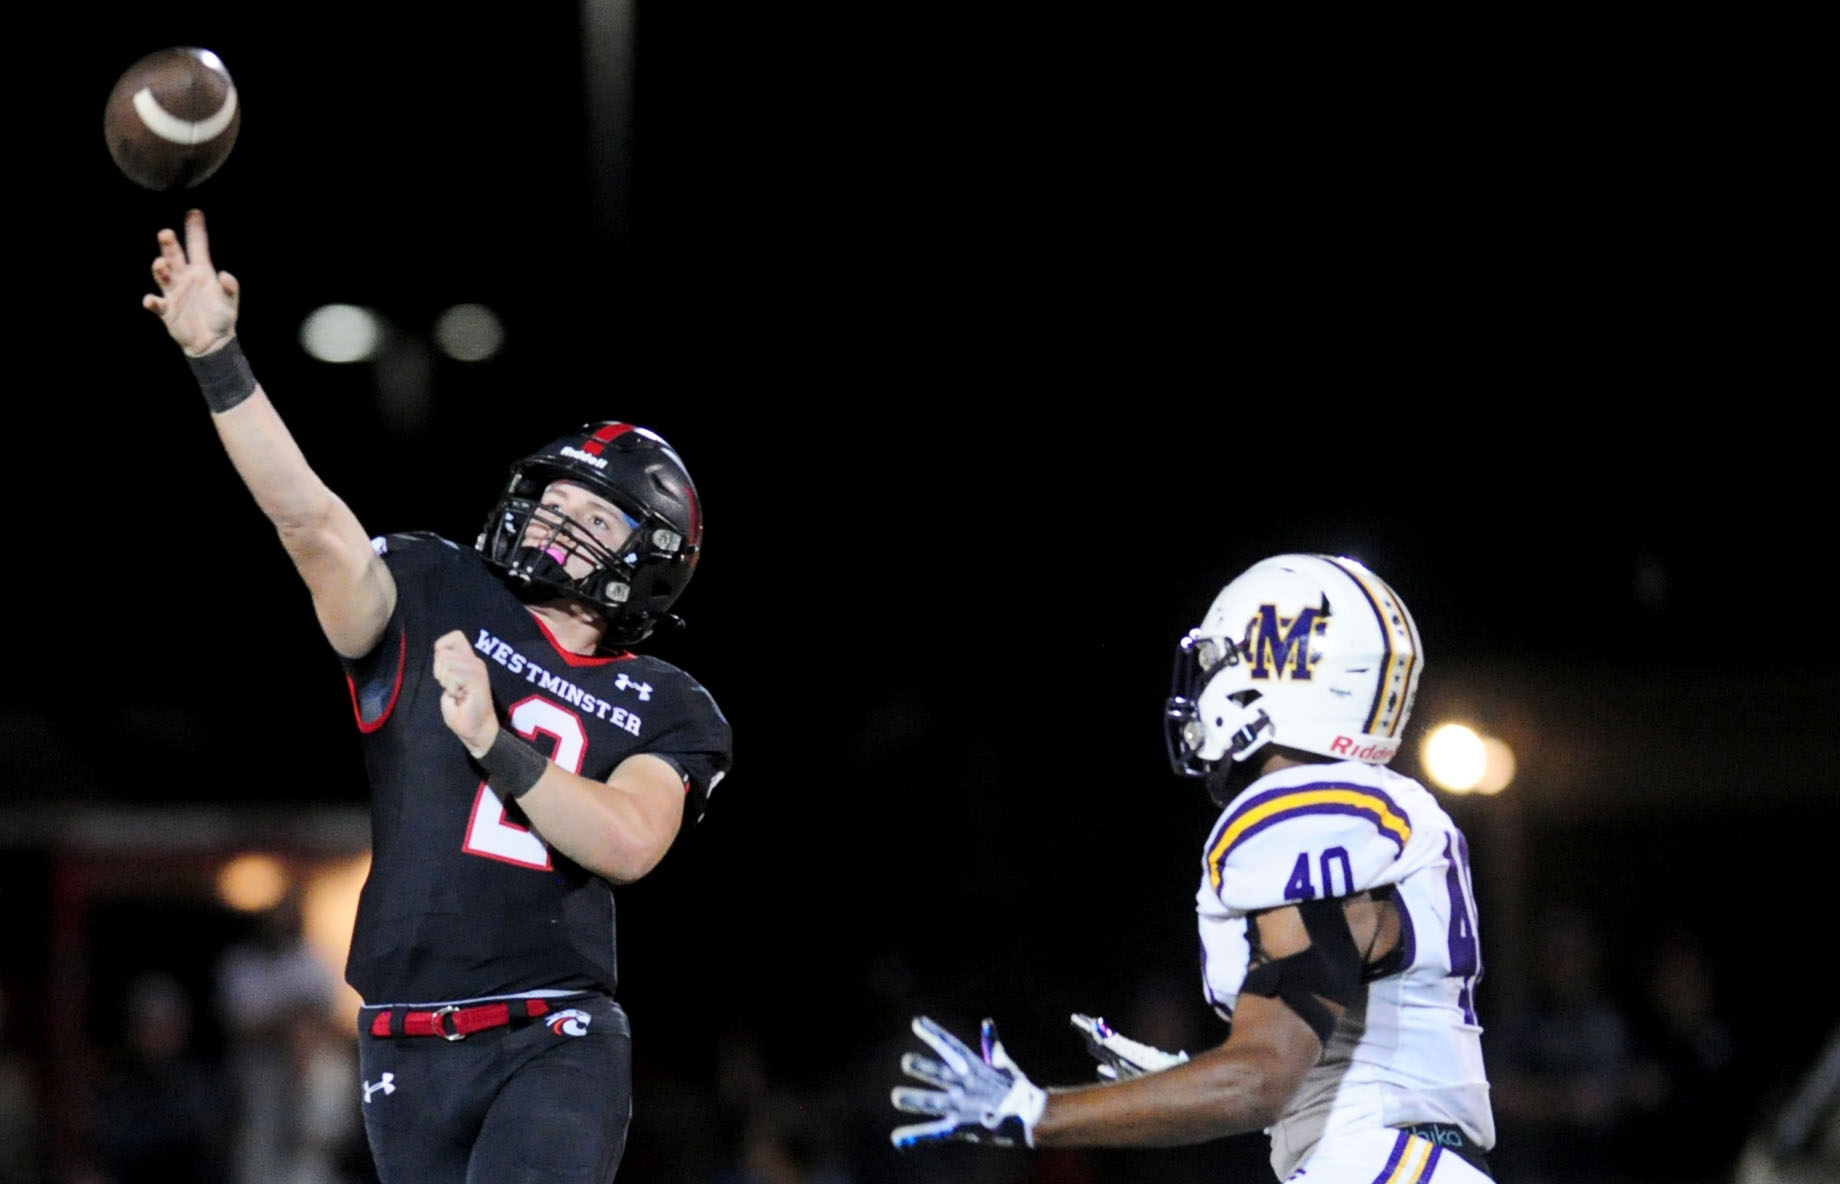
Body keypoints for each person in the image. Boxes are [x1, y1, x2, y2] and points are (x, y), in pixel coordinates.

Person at [142, 209, 734, 1183]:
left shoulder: (665, 699)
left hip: (553, 1032)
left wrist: (496, 743)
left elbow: (630, 839)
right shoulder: (435, 586)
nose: (554, 518)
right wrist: (218, 359)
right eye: (553, 497)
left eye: (592, 514)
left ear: (650, 559)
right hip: (400, 1042)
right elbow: (311, 524)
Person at [890, 554, 1495, 1183]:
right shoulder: (1376, 811)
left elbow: (1264, 1074)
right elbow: (1320, 1059)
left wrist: (1037, 1111)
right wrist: (1182, 1085)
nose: (1199, 688)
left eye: (1215, 664)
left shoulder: (1303, 814)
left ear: (1274, 675)